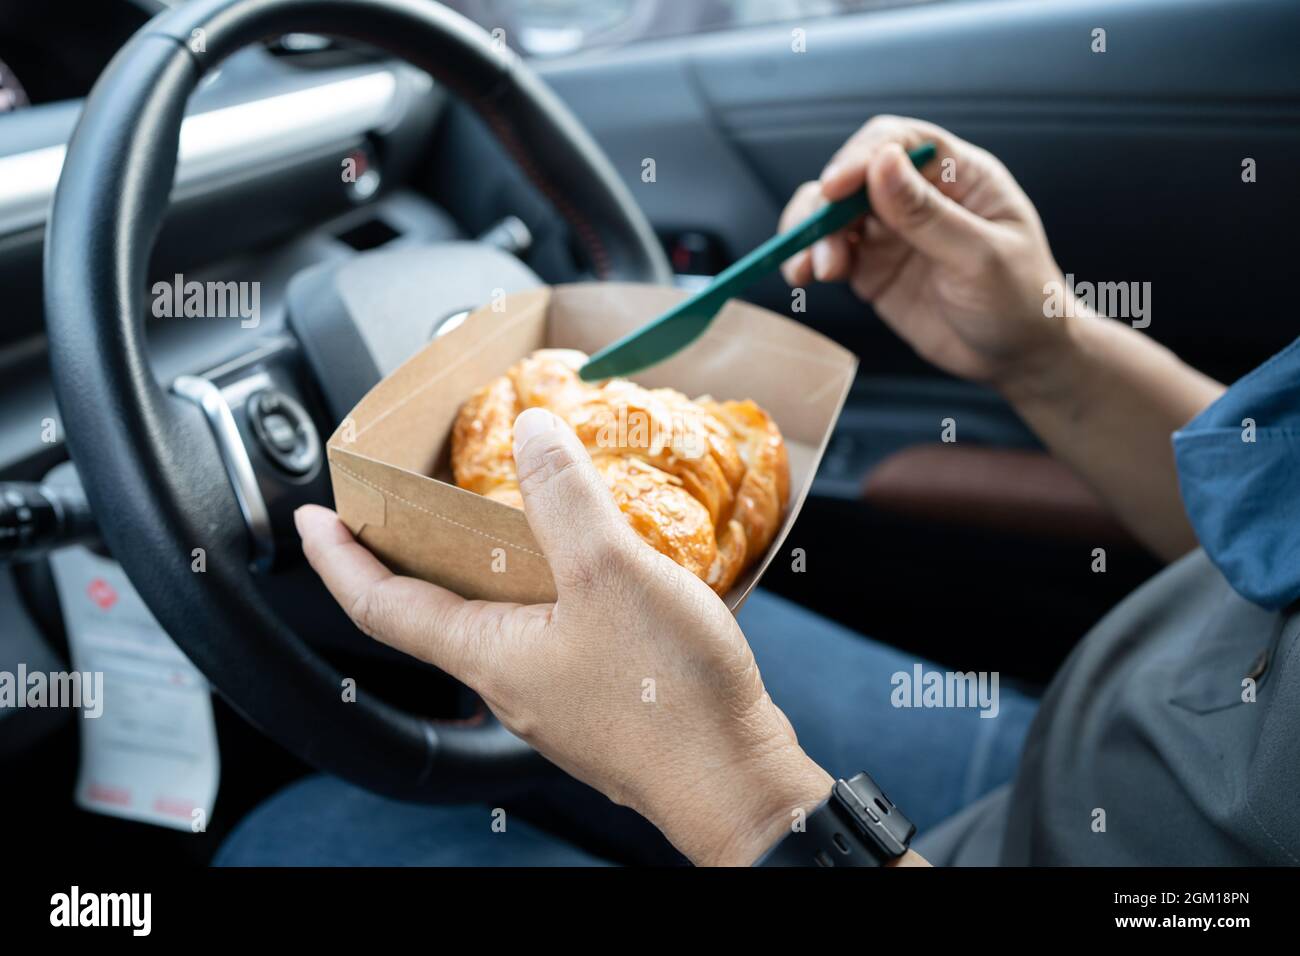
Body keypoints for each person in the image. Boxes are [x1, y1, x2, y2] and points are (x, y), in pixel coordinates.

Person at [216, 117, 1299, 867]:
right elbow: (1272, 505)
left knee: (295, 843)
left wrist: (741, 796)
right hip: (1101, 738)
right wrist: (1043, 348)